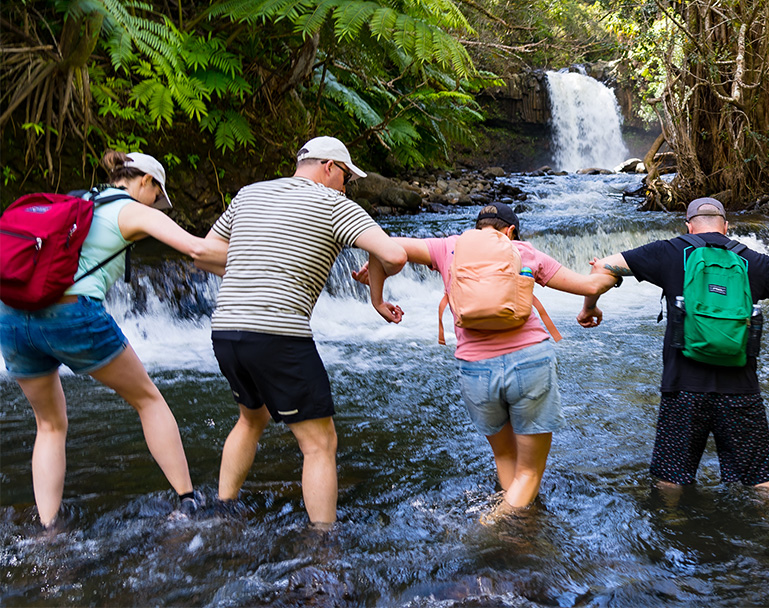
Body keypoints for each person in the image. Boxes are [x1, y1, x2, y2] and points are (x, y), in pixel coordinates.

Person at [0, 150, 228, 528]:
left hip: (11, 318)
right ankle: (188, 500)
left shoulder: (76, 201)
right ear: (146, 182)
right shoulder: (133, 210)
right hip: (71, 315)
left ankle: (47, 529)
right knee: (148, 400)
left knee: (50, 424)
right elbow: (197, 249)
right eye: (158, 195)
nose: (158, 204)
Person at [203, 136, 409, 530]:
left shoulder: (249, 194)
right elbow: (395, 254)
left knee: (250, 419)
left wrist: (254, 266)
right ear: (329, 167)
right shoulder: (334, 204)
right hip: (279, 332)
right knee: (319, 443)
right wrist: (378, 291)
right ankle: (322, 544)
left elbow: (204, 251)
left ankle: (222, 511)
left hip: (226, 329)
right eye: (347, 177)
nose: (347, 186)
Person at [360, 202, 617, 515]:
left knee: (506, 459)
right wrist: (609, 271)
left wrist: (377, 298)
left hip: (475, 369)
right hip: (529, 361)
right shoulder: (525, 251)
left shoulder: (448, 248)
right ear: (509, 231)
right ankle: (495, 526)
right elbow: (590, 285)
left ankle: (520, 534)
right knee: (530, 471)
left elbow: (379, 244)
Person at [582, 197, 769, 491]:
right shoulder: (754, 261)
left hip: (682, 386)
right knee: (761, 481)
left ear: (688, 225)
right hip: (741, 389)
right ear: (726, 226)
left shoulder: (669, 251)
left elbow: (603, 266)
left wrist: (590, 307)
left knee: (670, 478)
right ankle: (767, 528)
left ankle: (673, 524)